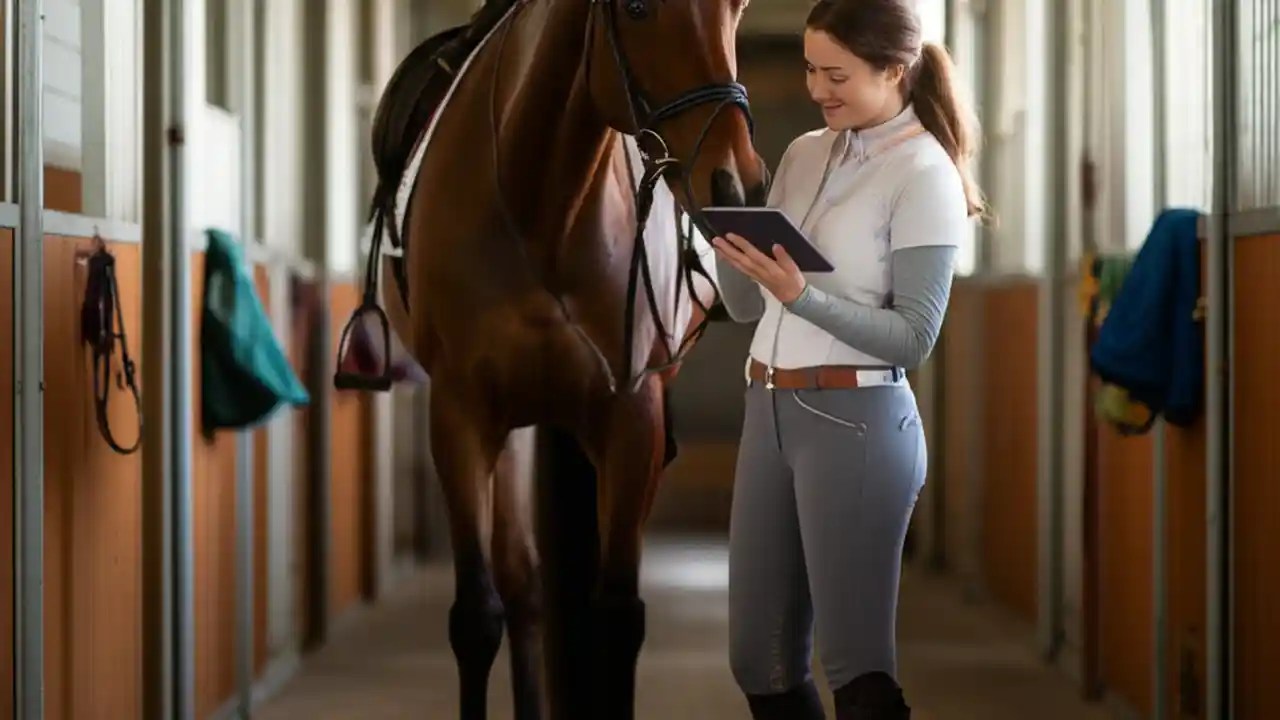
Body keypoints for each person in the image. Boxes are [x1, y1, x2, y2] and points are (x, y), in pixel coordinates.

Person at [709, 0, 985, 717]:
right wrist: (730, 249)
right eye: (809, 69)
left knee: (856, 668)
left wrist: (802, 297)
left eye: (837, 74)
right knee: (758, 662)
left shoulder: (925, 172)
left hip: (856, 421)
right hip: (766, 411)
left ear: (895, 71)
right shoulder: (804, 153)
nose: (816, 88)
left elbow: (914, 336)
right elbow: (745, 309)